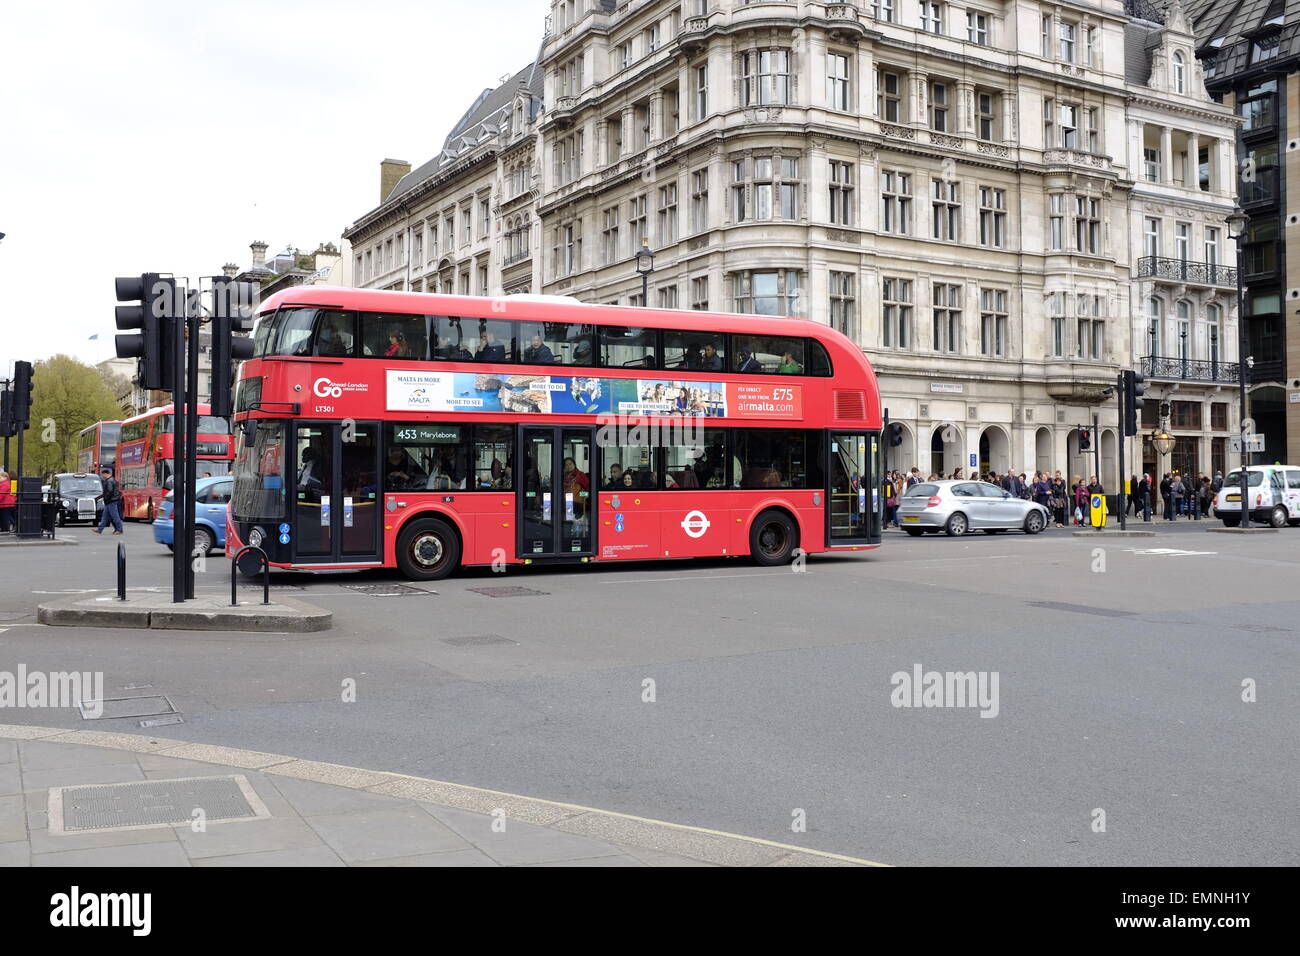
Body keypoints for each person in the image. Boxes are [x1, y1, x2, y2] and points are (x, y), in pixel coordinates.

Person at [94, 467, 124, 535]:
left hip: (111, 501)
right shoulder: (111, 480)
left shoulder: (109, 481)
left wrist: (105, 498)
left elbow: (109, 492)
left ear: (105, 474)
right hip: (110, 501)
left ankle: (119, 530)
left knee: (115, 516)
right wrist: (99, 497)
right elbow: (107, 492)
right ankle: (100, 529)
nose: (102, 476)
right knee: (105, 517)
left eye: (102, 475)